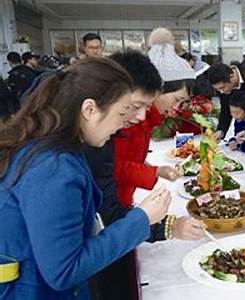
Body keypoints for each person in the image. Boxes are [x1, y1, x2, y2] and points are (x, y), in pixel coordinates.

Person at [0, 57, 171, 299]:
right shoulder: (54, 169)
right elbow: (64, 270)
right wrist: (142, 219)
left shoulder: (53, 147)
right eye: (122, 113)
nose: (122, 124)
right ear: (89, 109)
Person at [84, 50, 204, 300]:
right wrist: (164, 224)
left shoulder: (101, 136)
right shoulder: (60, 160)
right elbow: (64, 266)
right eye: (133, 107)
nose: (138, 117)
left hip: (117, 212)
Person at [113, 27, 196, 208]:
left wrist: (156, 170)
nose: (176, 108)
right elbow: (113, 166)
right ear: (157, 91)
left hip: (124, 196)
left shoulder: (146, 117)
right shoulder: (129, 118)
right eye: (177, 100)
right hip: (112, 200)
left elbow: (132, 157)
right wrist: (153, 172)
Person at [207, 62, 245, 141]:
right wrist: (221, 131)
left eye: (222, 87)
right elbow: (225, 109)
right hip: (241, 127)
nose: (221, 91)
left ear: (232, 76)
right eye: (218, 89)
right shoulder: (222, 88)